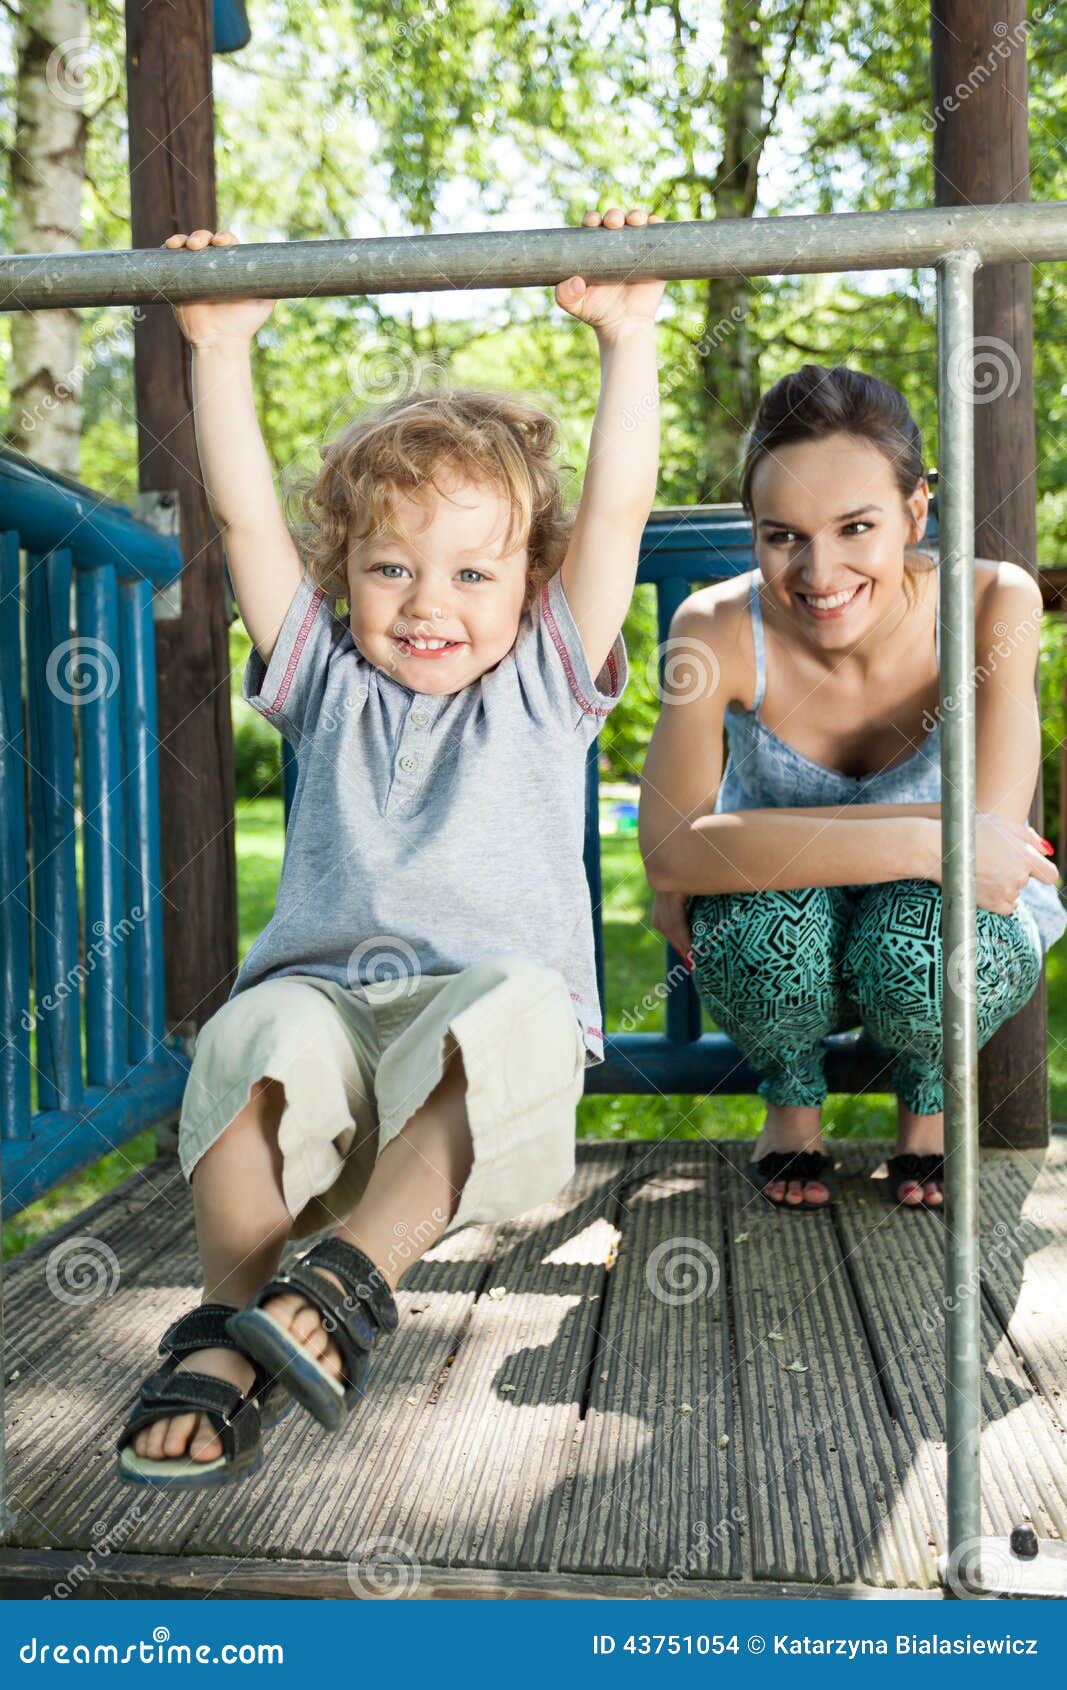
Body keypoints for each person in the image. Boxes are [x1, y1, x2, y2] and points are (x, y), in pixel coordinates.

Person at [115, 207, 664, 1486]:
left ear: (530, 584)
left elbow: (619, 512)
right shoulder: (323, 679)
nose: (428, 605)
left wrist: (627, 343)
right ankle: (231, 1324)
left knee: (533, 1003)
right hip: (329, 1022)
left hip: (462, 1066)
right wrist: (218, 347)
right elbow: (246, 526)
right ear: (342, 575)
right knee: (251, 1033)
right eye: (389, 569)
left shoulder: (542, 686)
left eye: (474, 575)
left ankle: (353, 1275)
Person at [639, 363, 1064, 1213]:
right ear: (753, 531)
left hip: (939, 917)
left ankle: (928, 1108)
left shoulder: (991, 602)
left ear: (914, 512)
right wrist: (927, 835)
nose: (818, 573)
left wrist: (742, 846)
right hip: (798, 924)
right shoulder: (714, 629)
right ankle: (790, 1103)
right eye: (782, 535)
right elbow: (669, 852)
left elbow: (996, 848)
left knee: (926, 945)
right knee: (761, 933)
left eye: (855, 527)